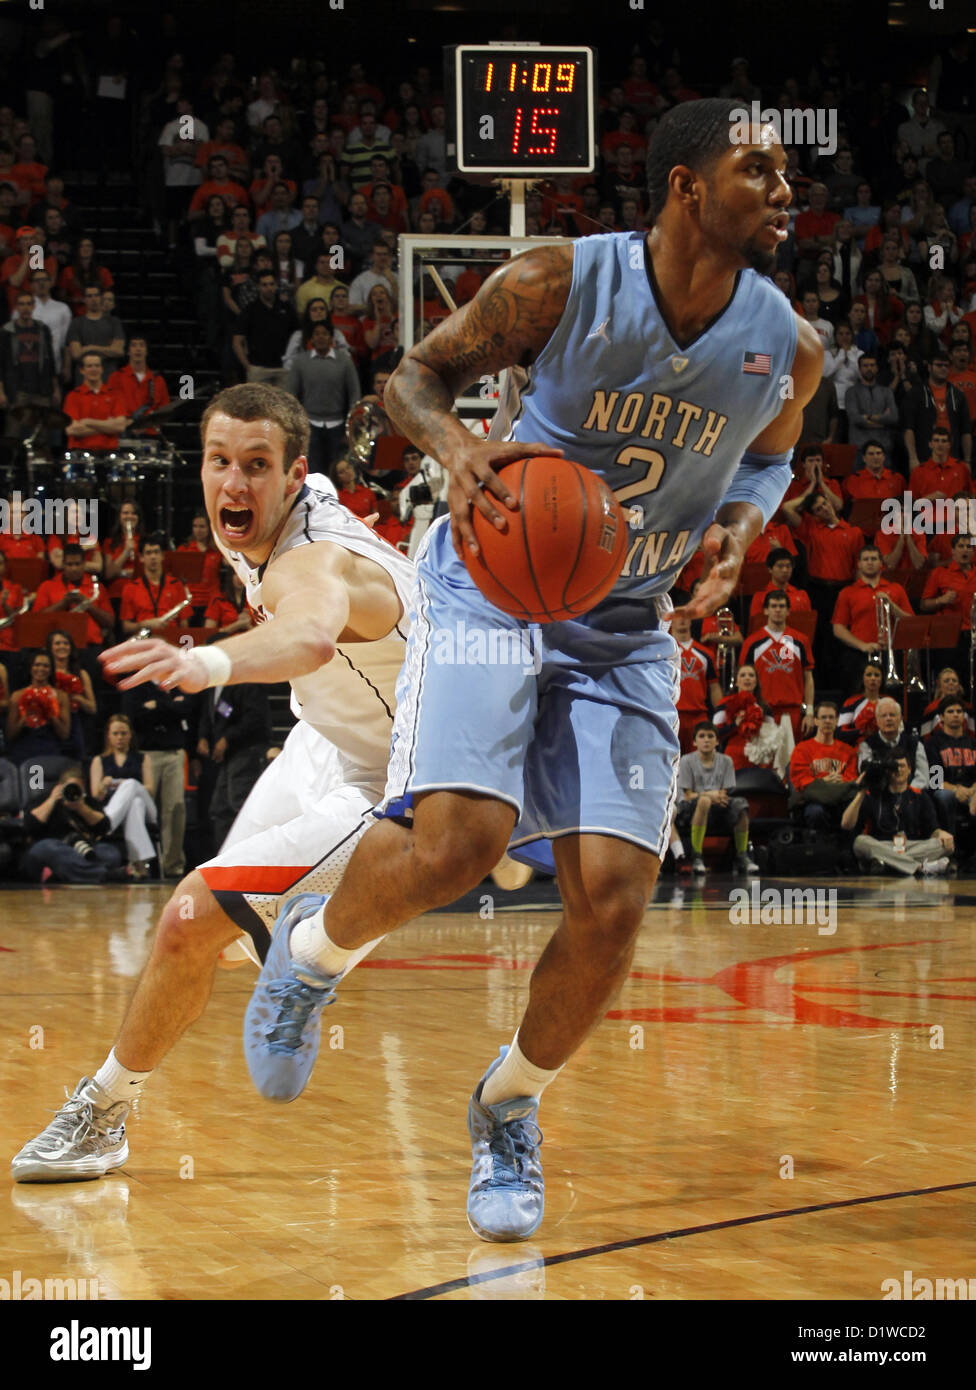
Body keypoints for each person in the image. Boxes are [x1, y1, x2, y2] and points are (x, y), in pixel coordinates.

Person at [235, 99, 821, 1245]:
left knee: (612, 902)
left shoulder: (785, 342)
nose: (785, 188)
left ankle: (505, 1105)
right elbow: (412, 379)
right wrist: (456, 449)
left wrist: (745, 527)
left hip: (627, 617)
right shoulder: (559, 283)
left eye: (788, 169)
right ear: (687, 188)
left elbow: (774, 451)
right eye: (759, 168)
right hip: (490, 585)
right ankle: (310, 953)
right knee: (461, 842)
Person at [11, 383, 415, 1184]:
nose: (233, 484)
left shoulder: (312, 556)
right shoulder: (272, 509)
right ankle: (302, 939)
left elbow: (305, 633)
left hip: (392, 775)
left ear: (294, 476)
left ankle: (104, 1112)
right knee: (220, 943)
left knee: (189, 917)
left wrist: (206, 662)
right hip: (320, 741)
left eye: (256, 467)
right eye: (219, 461)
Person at [842, 753, 951, 876]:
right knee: (860, 842)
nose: (898, 770)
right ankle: (919, 867)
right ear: (887, 771)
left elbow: (933, 829)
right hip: (881, 845)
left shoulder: (920, 796)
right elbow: (846, 824)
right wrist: (861, 791)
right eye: (894, 767)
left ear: (910, 770)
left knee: (943, 845)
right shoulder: (873, 795)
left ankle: (885, 863)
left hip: (909, 846)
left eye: (902, 766)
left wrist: (940, 833)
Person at [673, 721, 757, 876]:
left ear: (717, 741)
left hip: (718, 805)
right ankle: (697, 856)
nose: (706, 740)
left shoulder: (726, 761)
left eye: (710, 736)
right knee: (704, 801)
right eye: (702, 736)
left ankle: (742, 855)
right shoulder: (686, 761)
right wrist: (710, 795)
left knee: (741, 804)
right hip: (690, 808)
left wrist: (714, 797)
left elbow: (724, 793)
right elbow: (687, 794)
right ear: (694, 741)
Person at [18, 763, 125, 884]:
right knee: (51, 848)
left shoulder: (88, 802)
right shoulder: (42, 799)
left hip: (82, 848)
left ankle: (62, 874)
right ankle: (104, 875)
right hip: (51, 846)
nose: (73, 791)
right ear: (59, 786)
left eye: (78, 788)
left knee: (110, 853)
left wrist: (81, 808)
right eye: (69, 787)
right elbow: (30, 825)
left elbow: (104, 827)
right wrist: (52, 800)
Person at [831, 544, 914, 691]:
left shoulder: (896, 589)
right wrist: (862, 645)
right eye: (866, 559)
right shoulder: (848, 592)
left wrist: (892, 606)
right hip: (860, 655)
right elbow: (838, 628)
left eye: (874, 559)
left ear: (881, 564)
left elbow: (911, 623)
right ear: (859, 564)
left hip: (891, 653)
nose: (870, 562)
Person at [285, 318, 361, 473]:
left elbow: (354, 394)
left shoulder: (344, 361)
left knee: (338, 471)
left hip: (338, 425)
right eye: (316, 334)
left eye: (325, 334)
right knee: (312, 471)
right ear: (311, 339)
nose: (320, 337)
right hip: (310, 424)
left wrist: (350, 427)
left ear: (331, 338)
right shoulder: (300, 362)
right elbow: (291, 395)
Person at [89, 714, 158, 879]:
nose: (120, 737)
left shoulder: (143, 758)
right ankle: (140, 864)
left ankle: (107, 824)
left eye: (123, 733)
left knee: (133, 786)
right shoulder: (99, 760)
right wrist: (104, 785)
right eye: (115, 733)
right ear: (108, 736)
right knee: (135, 804)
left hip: (149, 811)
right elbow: (95, 796)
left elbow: (150, 790)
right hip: (125, 808)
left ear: (130, 735)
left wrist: (125, 785)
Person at [740, 590, 815, 735]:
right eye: (773, 606)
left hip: (792, 711)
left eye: (781, 606)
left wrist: (810, 712)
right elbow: (743, 678)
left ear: (788, 611)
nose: (778, 610)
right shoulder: (752, 642)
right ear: (766, 610)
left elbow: (808, 678)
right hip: (761, 710)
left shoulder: (801, 641)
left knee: (791, 757)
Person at [789, 699, 859, 830]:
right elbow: (802, 782)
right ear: (815, 721)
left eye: (831, 717)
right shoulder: (802, 749)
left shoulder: (848, 751)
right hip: (814, 801)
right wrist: (825, 782)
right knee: (815, 812)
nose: (827, 721)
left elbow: (851, 781)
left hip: (840, 799)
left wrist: (824, 784)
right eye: (823, 717)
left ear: (837, 721)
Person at [33, 541, 115, 647]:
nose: (74, 568)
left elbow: (110, 622)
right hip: (57, 647)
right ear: (63, 564)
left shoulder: (97, 587)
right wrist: (63, 603)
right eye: (70, 564)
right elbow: (36, 621)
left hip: (90, 646)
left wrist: (87, 604)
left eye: (77, 564)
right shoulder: (47, 586)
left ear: (84, 564)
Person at [923, 694, 976, 849]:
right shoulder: (933, 744)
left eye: (959, 711)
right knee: (944, 796)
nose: (955, 715)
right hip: (946, 790)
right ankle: (949, 849)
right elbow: (935, 781)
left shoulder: (973, 743)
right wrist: (956, 790)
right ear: (941, 717)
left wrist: (973, 791)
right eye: (950, 711)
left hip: (972, 791)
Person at [119, 533, 192, 638]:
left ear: (162, 556)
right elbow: (126, 627)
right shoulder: (130, 588)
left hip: (171, 640)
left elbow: (184, 625)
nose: (153, 556)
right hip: (143, 642)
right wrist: (145, 624)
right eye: (148, 553)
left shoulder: (177, 585)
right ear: (141, 558)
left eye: (156, 552)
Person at [857, 695, 930, 790]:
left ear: (900, 719)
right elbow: (866, 776)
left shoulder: (916, 744)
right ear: (877, 721)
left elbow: (923, 778)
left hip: (911, 796)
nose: (888, 719)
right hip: (879, 795)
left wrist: (905, 793)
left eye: (892, 715)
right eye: (884, 716)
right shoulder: (866, 745)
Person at [837, 661, 883, 744]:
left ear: (882, 678)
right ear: (862, 678)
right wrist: (861, 732)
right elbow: (840, 732)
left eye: (876, 675)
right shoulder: (851, 702)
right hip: (858, 748)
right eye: (869, 675)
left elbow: (899, 729)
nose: (873, 678)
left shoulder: (889, 702)